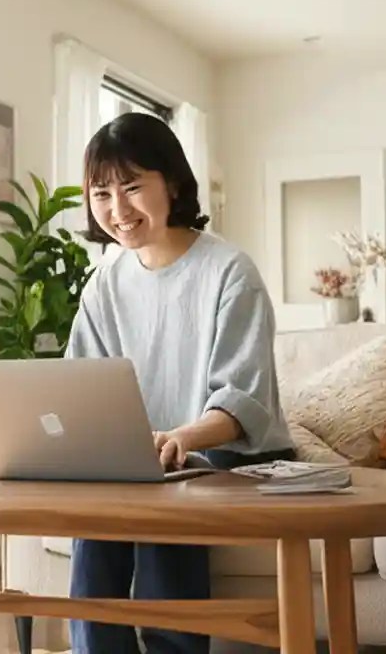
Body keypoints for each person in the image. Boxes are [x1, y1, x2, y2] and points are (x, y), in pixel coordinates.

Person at [64, 112, 295, 654]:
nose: (118, 210)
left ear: (171, 182)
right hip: (144, 456)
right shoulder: (104, 283)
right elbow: (78, 385)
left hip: (230, 453)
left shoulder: (230, 271)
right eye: (101, 194)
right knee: (96, 515)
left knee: (172, 491)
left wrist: (181, 439)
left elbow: (243, 399)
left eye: (132, 188)